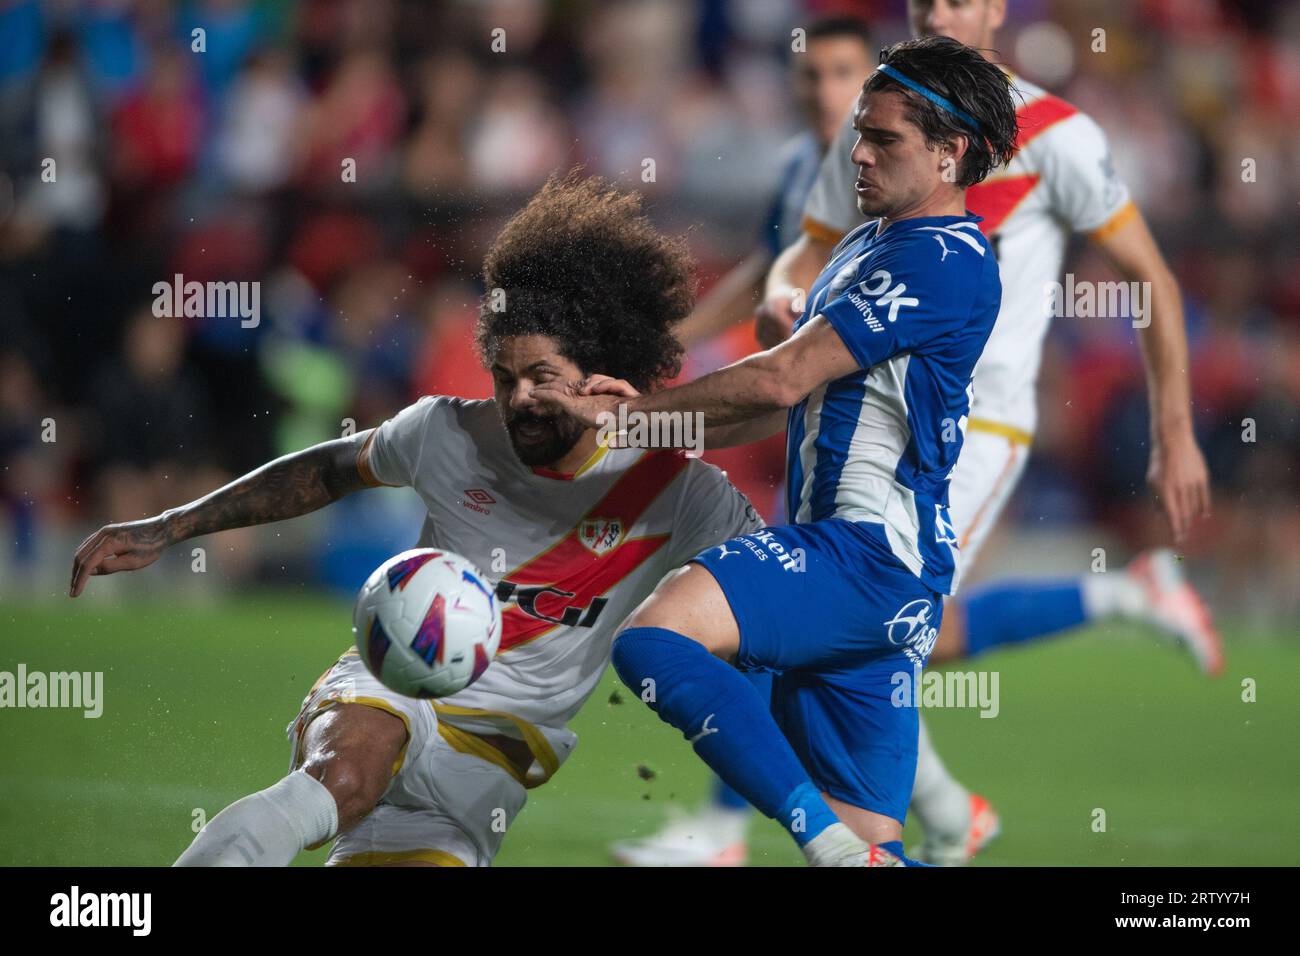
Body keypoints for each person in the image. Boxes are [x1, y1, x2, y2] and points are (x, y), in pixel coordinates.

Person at [627, 0, 1220, 867]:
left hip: (938, 457)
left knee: (682, 632)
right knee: (878, 651)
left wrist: (1175, 427)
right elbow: (794, 280)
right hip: (861, 456)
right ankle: (899, 824)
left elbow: (1151, 278)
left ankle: (755, 832)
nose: (941, 10)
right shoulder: (880, 146)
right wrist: (751, 331)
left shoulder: (1035, 152)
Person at [69, 174, 763, 867]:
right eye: (502, 375)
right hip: (394, 686)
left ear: (602, 374)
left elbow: (780, 603)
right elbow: (328, 469)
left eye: (542, 377)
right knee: (342, 777)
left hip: (491, 758)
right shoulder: (448, 431)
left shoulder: (682, 493)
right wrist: (170, 526)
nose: (518, 397)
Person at [535, 35, 1020, 867]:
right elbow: (769, 405)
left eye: (885, 139)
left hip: (862, 555)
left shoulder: (944, 258)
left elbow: (780, 380)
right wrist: (636, 428)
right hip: (883, 581)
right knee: (878, 856)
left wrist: (625, 419)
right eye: (859, 131)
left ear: (951, 153)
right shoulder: (873, 246)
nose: (857, 152)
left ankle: (816, 841)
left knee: (654, 642)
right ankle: (842, 847)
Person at [608, 11, 875, 869]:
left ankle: (742, 830)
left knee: (826, 619)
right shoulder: (804, 167)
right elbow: (773, 268)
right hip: (796, 405)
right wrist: (689, 334)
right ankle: (773, 828)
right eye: (812, 74)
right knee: (780, 611)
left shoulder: (889, 181)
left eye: (844, 75)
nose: (825, 91)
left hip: (852, 414)